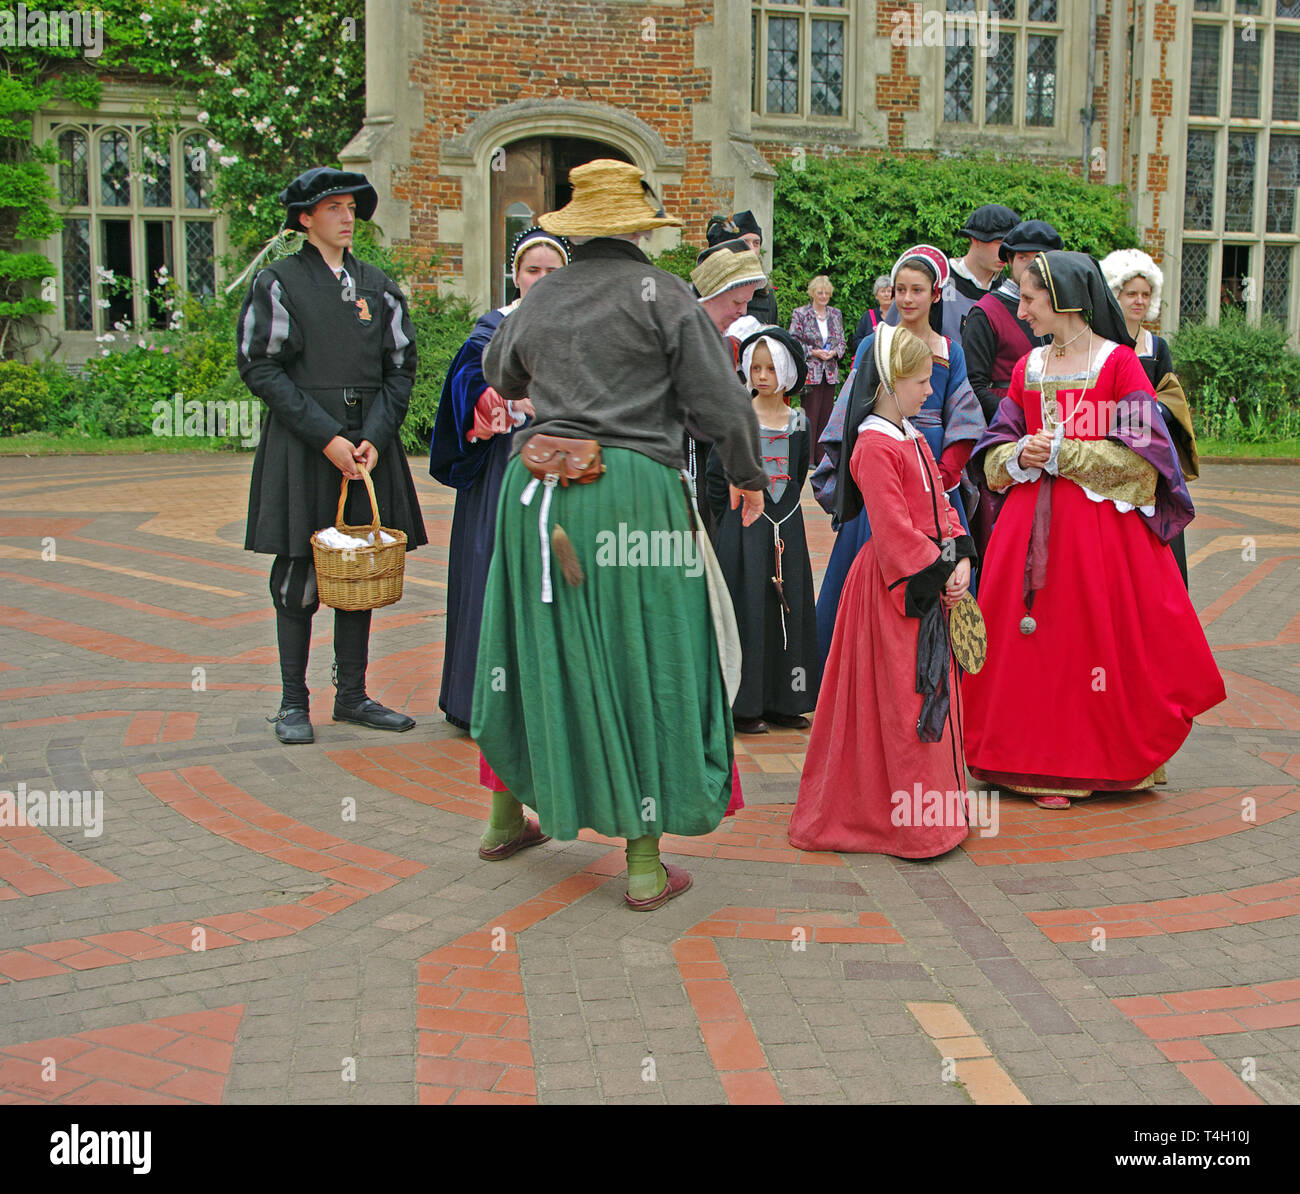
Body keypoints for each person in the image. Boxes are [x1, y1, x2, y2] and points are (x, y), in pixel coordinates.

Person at [473, 159, 767, 911]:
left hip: (535, 494)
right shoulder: (664, 294)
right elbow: (724, 404)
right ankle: (641, 866)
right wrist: (748, 473)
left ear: (577, 229)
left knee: (529, 651)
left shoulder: (543, 294)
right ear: (639, 226)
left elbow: (499, 375)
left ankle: (506, 814)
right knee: (647, 660)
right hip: (630, 495)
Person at [963, 251, 1225, 809]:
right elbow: (991, 453)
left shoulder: (1119, 366)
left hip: (1097, 535)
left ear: (1064, 300)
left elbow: (1145, 460)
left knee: (1086, 644)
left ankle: (1085, 758)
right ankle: (1018, 754)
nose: (1022, 309)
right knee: (1028, 643)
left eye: (1029, 298)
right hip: (1025, 528)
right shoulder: (1028, 368)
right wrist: (1019, 454)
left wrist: (1064, 452)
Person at [238, 167, 427, 745]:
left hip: (368, 447)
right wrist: (326, 436)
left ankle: (351, 696)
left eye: (350, 207)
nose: (347, 217)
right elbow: (260, 365)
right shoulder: (279, 282)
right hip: (305, 446)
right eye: (334, 208)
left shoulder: (378, 285)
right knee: (299, 573)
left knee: (360, 568)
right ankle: (294, 703)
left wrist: (374, 434)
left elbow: (401, 369)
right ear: (305, 218)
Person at [790, 325, 975, 857]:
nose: (926, 391)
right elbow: (893, 530)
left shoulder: (911, 435)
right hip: (892, 593)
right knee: (900, 701)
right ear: (892, 383)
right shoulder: (874, 444)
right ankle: (894, 823)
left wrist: (960, 554)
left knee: (924, 692)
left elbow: (940, 505)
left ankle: (931, 817)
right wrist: (939, 570)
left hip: (924, 578)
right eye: (920, 382)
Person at [812, 245, 985, 664]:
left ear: (935, 295)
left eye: (917, 290)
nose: (907, 299)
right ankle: (869, 667)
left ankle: (942, 671)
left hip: (936, 481)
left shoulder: (951, 351)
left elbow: (964, 419)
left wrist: (941, 476)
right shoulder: (875, 345)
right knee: (880, 569)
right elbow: (850, 410)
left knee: (950, 568)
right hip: (885, 481)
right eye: (900, 289)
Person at [430, 227, 569, 732]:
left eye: (553, 271)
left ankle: (548, 702)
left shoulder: (582, 328)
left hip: (568, 471)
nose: (542, 279)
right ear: (515, 277)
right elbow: (465, 386)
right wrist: (503, 399)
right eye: (533, 270)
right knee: (496, 571)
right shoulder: (493, 327)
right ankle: (482, 702)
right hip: (503, 473)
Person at [706, 327, 819, 734]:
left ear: (786, 372)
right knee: (748, 608)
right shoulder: (737, 418)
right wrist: (732, 528)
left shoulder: (800, 423)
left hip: (786, 525)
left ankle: (786, 699)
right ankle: (745, 704)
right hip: (744, 528)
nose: (762, 376)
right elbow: (717, 478)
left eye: (771, 368)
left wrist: (782, 514)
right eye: (755, 367)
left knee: (785, 605)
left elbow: (798, 474)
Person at [963, 219, 1061, 558]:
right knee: (1008, 540)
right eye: (1025, 258)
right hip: (1005, 436)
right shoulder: (985, 312)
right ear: (1009, 261)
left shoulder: (1063, 315)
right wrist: (1018, 422)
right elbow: (973, 386)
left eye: (1042, 258)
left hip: (1055, 438)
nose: (1033, 265)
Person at [1102, 248, 1198, 588]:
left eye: (1145, 294)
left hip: (1150, 451)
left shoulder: (1157, 346)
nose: (1139, 301)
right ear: (1115, 295)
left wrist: (1155, 410)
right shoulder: (1102, 346)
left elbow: (1171, 394)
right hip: (1109, 449)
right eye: (1131, 294)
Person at [686, 239, 768, 537]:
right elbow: (730, 407)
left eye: (747, 302)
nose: (743, 311)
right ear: (712, 294)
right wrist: (748, 477)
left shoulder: (704, 335)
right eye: (737, 302)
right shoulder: (688, 334)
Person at [887, 204, 1019, 345]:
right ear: (975, 240)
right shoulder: (937, 280)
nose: (1005, 253)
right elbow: (890, 338)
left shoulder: (1008, 291)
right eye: (999, 243)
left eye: (1010, 246)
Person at [789, 276, 846, 462]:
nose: (823, 296)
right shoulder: (801, 313)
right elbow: (793, 341)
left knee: (826, 417)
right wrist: (814, 352)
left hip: (829, 372)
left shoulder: (836, 314)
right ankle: (807, 458)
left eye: (827, 293)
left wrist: (834, 353)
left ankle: (823, 458)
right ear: (813, 293)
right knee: (809, 416)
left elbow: (842, 342)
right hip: (810, 371)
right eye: (820, 293)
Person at [706, 209, 779, 324]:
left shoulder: (766, 298)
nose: (752, 251)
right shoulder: (707, 293)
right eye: (744, 242)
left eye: (756, 243)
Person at [847, 275, 893, 360]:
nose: (887, 294)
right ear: (876, 295)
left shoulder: (900, 316)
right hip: (870, 364)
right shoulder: (868, 317)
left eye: (889, 291)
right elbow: (856, 342)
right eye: (883, 291)